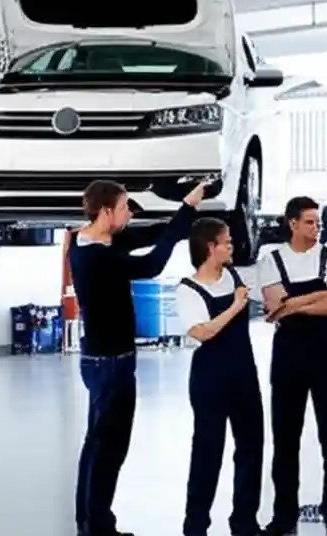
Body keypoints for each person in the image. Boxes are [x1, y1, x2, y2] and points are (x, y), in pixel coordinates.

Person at [70, 178, 210, 536]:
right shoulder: (94, 256)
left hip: (104, 360)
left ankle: (89, 522)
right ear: (105, 212)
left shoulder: (103, 240)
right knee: (109, 448)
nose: (130, 213)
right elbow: (151, 266)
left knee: (96, 443)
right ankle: (98, 527)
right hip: (110, 363)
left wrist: (188, 207)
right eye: (124, 207)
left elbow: (155, 234)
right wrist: (178, 225)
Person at [258, 197, 327, 536]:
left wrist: (293, 302)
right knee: (286, 436)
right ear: (292, 224)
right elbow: (273, 308)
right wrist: (316, 297)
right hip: (288, 353)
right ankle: (284, 514)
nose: (317, 228)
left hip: (325, 350)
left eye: (319, 222)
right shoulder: (271, 259)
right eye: (310, 222)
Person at [178, 218, 264, 536]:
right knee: (208, 449)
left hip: (244, 372)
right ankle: (196, 523)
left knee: (251, 445)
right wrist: (236, 306)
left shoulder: (233, 276)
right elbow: (203, 332)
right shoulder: (188, 290)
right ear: (211, 248)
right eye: (226, 242)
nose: (232, 246)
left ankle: (244, 520)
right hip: (210, 377)